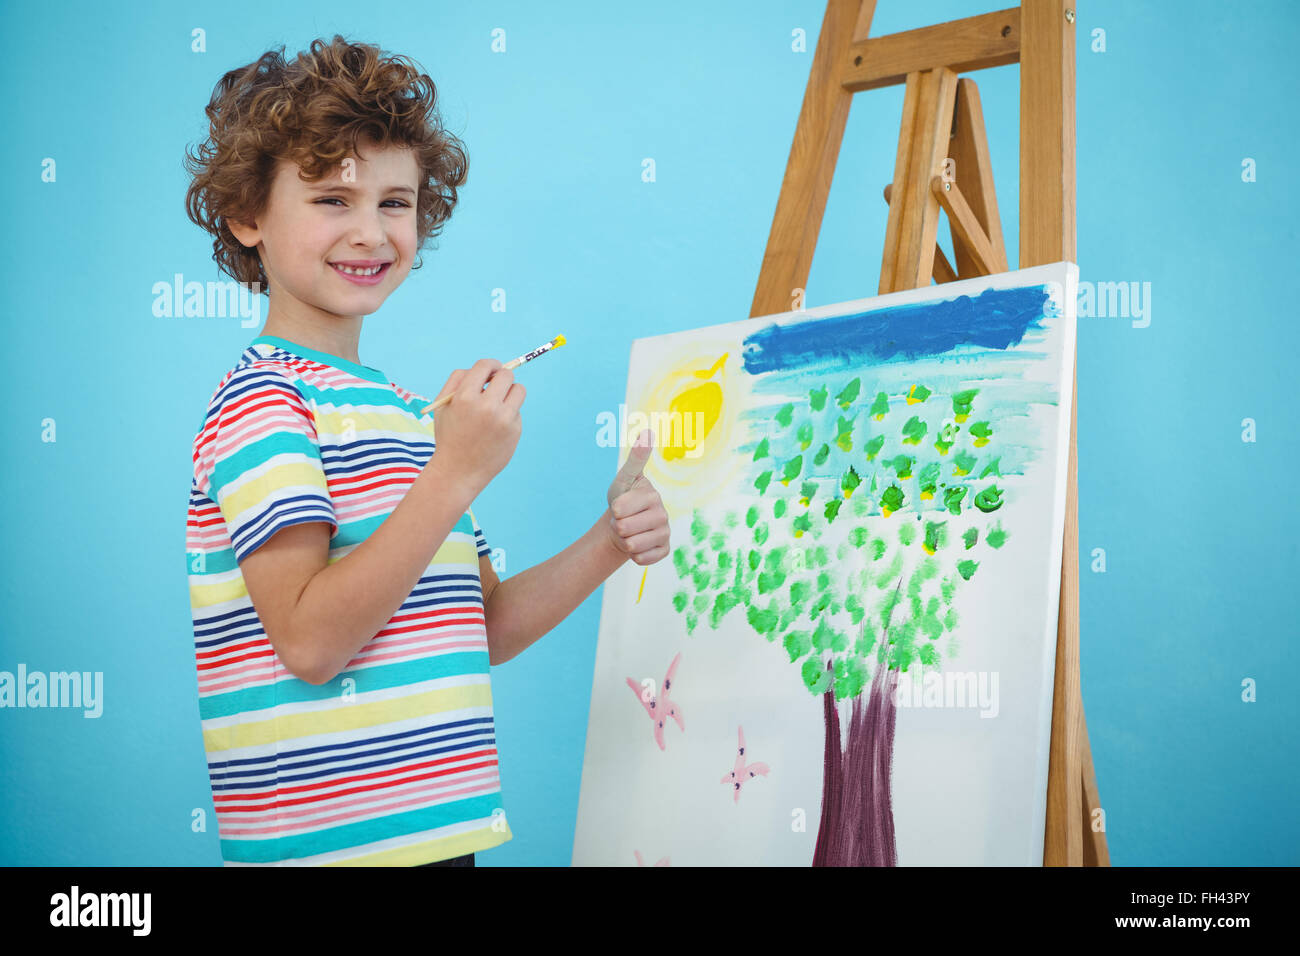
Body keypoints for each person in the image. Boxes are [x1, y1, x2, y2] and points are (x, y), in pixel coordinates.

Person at [182, 35, 669, 866]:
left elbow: (486, 628)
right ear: (248, 216)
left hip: (442, 837)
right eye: (332, 200)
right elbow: (308, 643)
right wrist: (454, 472)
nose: (370, 232)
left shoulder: (415, 417)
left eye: (395, 203)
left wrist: (609, 543)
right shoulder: (265, 402)